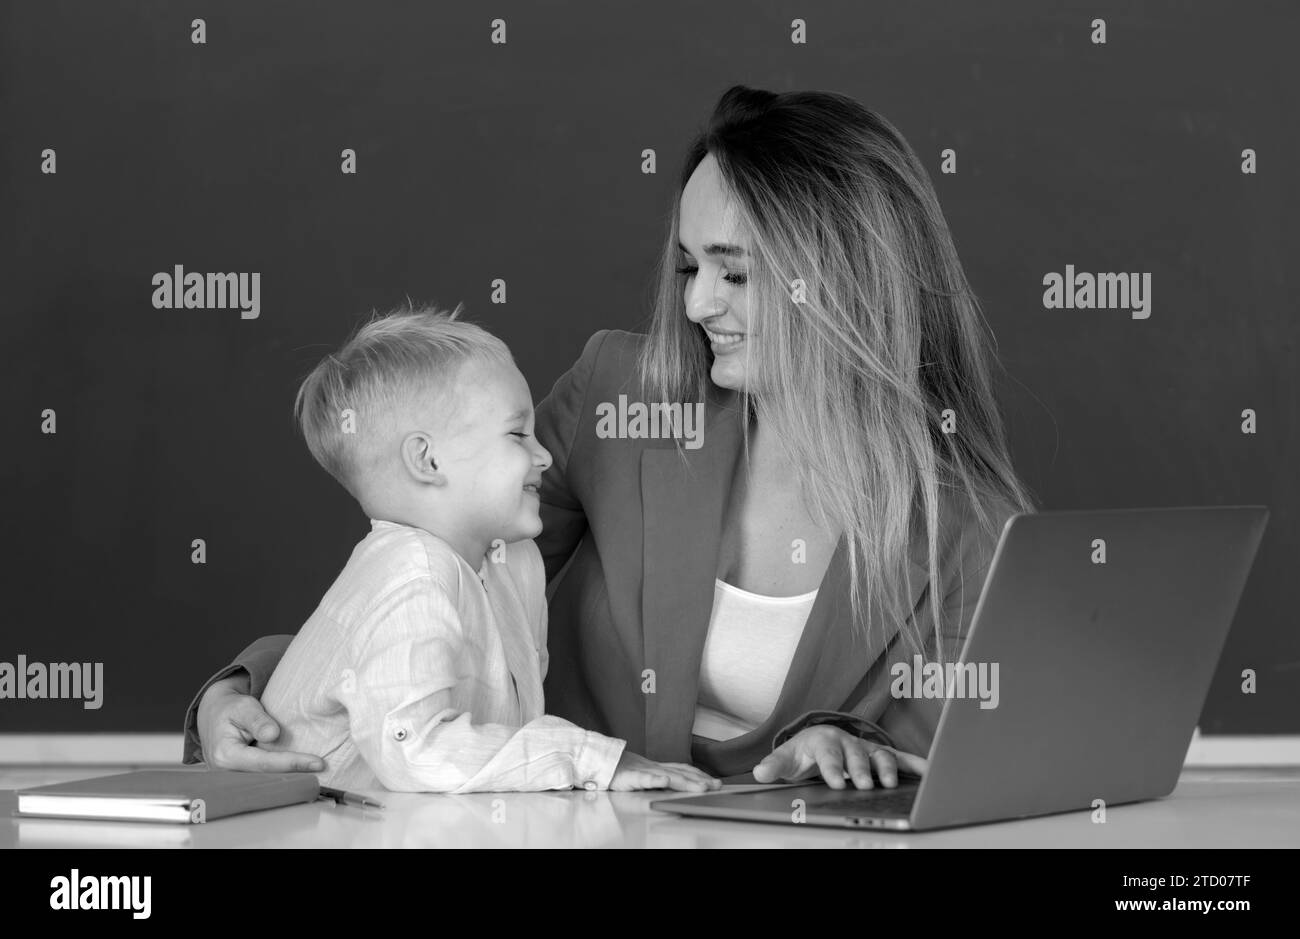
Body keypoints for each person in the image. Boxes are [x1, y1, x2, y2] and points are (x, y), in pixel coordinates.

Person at [184, 85, 1037, 792]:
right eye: (689, 267)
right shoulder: (619, 399)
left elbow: (946, 767)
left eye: (735, 272)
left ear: (849, 274)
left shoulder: (964, 523)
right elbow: (414, 575)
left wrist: (847, 744)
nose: (700, 305)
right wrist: (242, 689)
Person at [250, 306, 718, 794]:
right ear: (428, 460)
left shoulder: (509, 562)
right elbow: (417, 749)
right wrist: (590, 759)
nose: (545, 456)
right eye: (518, 434)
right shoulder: (413, 575)